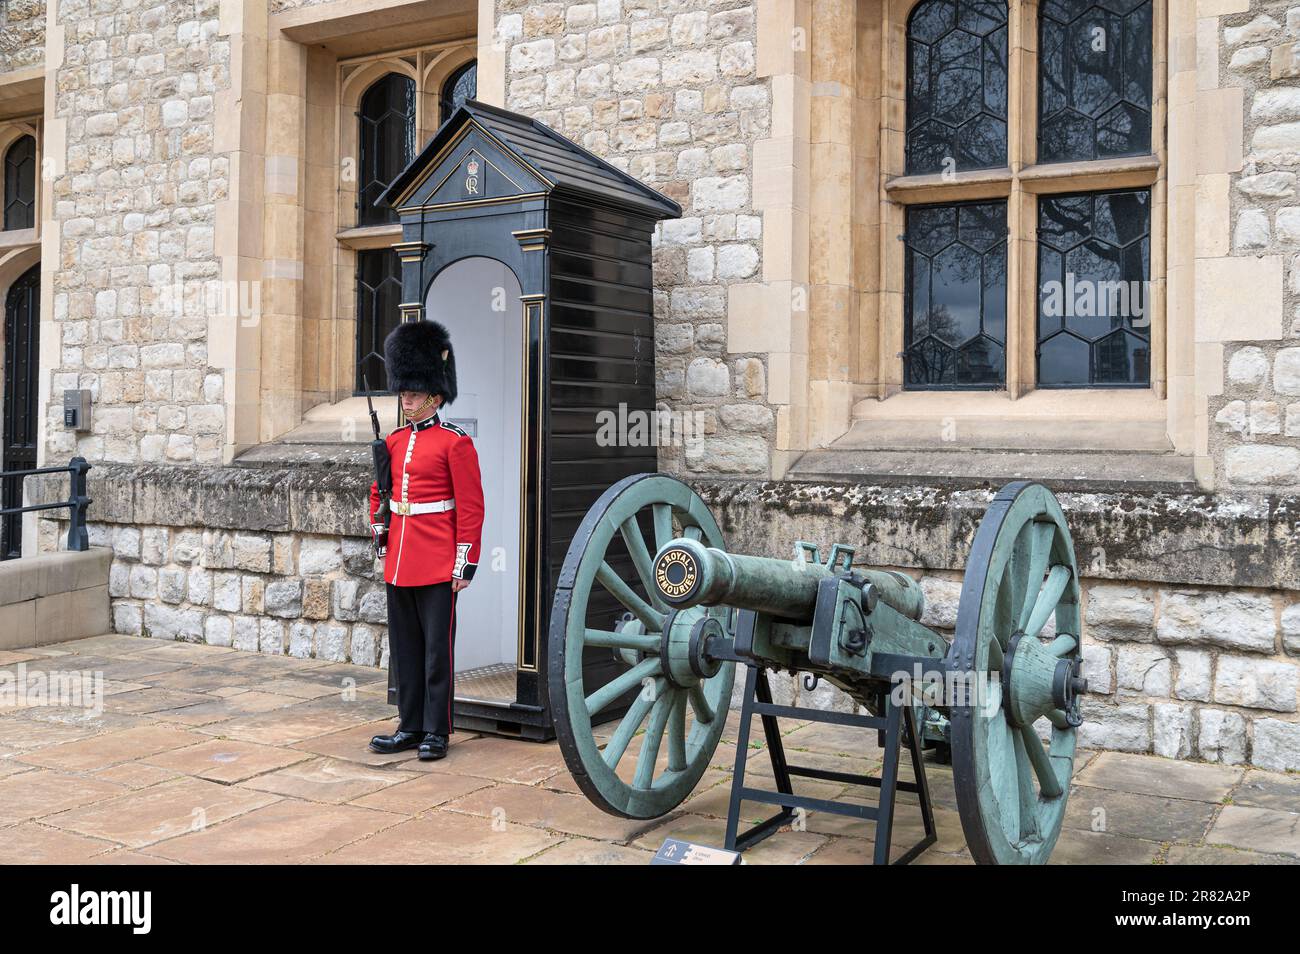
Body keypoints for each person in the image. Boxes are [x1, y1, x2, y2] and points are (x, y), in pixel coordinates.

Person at [367, 320, 484, 761]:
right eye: (404, 392)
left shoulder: (455, 443)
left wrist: (464, 562)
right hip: (400, 559)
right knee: (406, 649)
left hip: (436, 561)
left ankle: (437, 730)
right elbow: (383, 492)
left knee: (437, 652)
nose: (406, 399)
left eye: (413, 393)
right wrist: (380, 528)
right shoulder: (395, 441)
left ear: (434, 395)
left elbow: (470, 507)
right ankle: (409, 724)